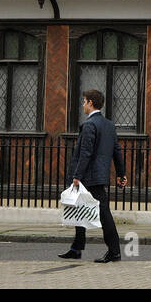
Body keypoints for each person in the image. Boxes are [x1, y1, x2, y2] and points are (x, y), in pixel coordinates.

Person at [60, 89, 127, 262]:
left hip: (88, 176)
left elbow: (86, 153)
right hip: (98, 175)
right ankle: (76, 248)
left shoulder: (90, 125)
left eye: (84, 101)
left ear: (91, 103)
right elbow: (117, 151)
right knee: (78, 207)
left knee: (103, 213)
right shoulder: (109, 125)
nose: (83, 105)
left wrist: (77, 176)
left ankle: (114, 251)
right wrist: (121, 174)